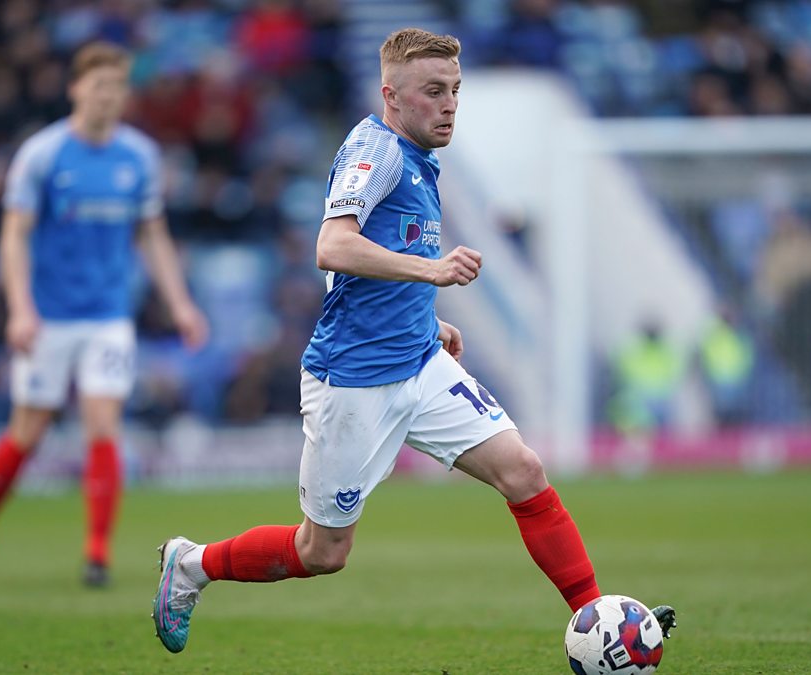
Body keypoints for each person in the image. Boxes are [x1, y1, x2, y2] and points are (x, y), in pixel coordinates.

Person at [151, 27, 676, 654]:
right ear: (391, 96)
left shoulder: (420, 155)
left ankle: (598, 620)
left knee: (524, 471)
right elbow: (333, 245)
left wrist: (426, 318)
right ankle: (191, 565)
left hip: (421, 364)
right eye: (434, 91)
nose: (450, 104)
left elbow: (373, 262)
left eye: (455, 90)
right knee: (322, 552)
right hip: (353, 381)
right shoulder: (380, 153)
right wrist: (432, 273)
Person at [0, 41, 208, 588]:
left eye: (117, 88)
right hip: (48, 317)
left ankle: (97, 554)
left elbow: (152, 235)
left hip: (108, 316)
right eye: (99, 87)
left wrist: (181, 303)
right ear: (76, 89)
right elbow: (14, 236)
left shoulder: (138, 156)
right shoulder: (43, 155)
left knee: (103, 427)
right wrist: (20, 309)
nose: (109, 97)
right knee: (28, 431)